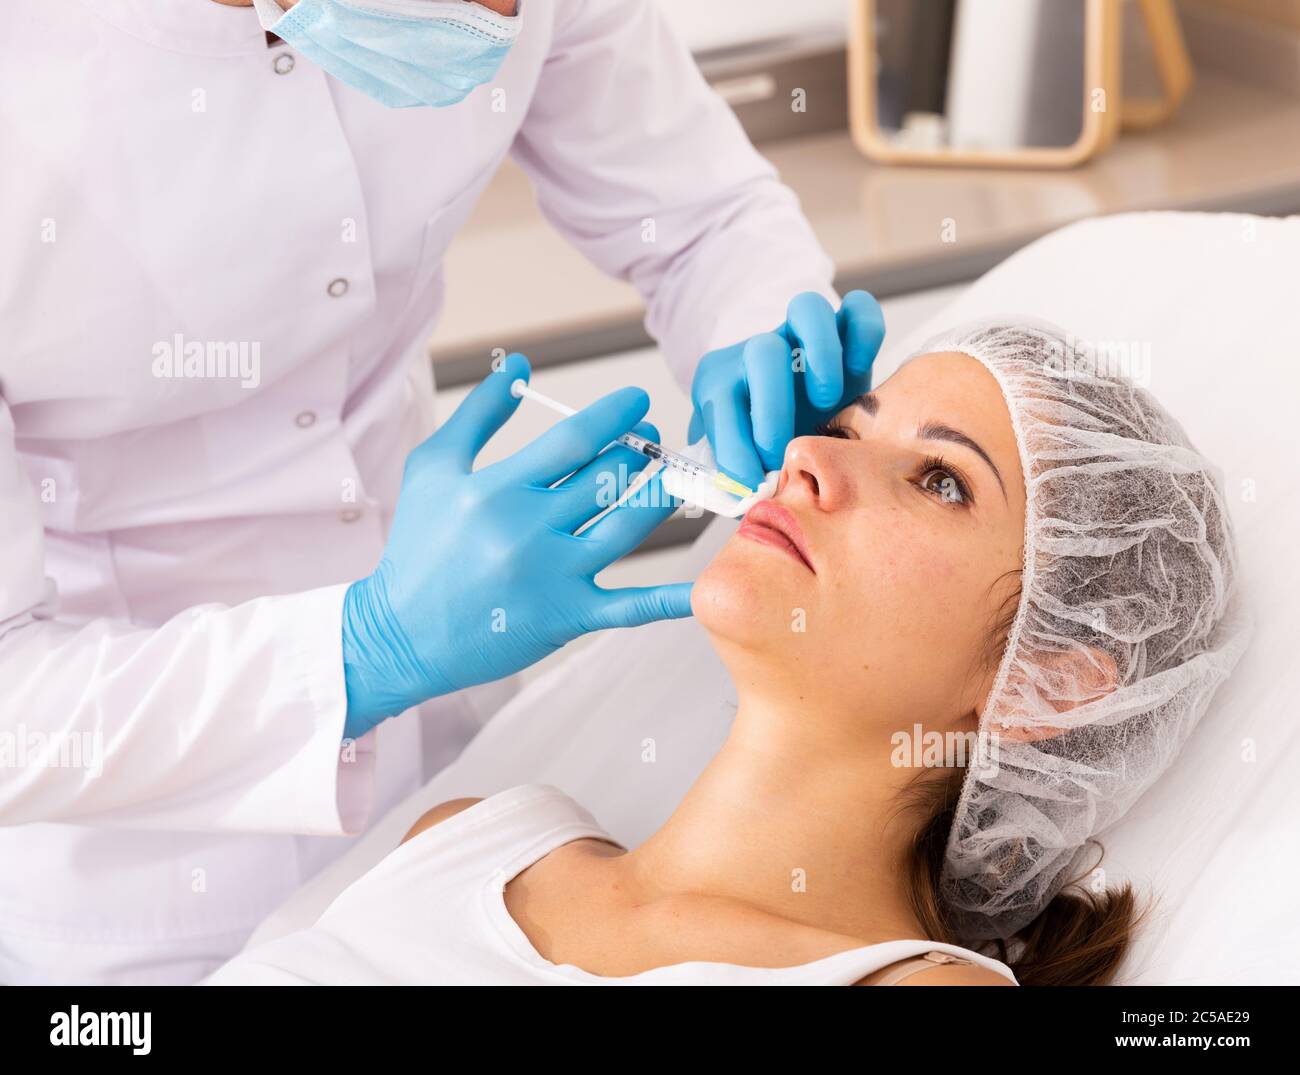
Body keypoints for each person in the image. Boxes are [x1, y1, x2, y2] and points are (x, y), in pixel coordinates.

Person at [0, 0, 883, 982]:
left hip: (468, 790)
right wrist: (366, 647)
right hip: (134, 870)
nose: (496, 15)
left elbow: (699, 218)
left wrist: (752, 324)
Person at [205, 322, 1247, 986]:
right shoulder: (468, 837)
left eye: (937, 478)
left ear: (1043, 684)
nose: (808, 455)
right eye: (848, 424)